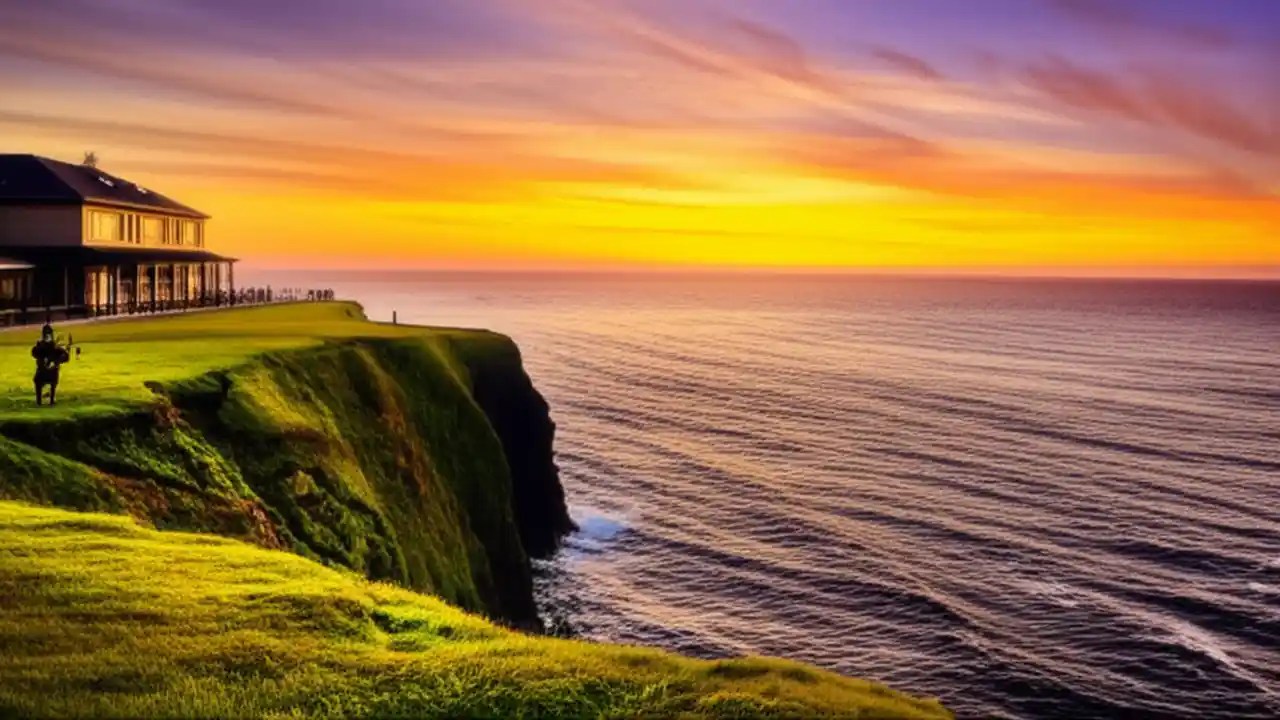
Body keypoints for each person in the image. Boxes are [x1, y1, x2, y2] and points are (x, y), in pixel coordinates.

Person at [31, 323, 70, 406]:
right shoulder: (41, 345)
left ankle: (51, 400)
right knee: (37, 380)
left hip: (52, 372)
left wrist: (56, 361)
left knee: (47, 379)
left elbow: (66, 357)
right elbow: (34, 353)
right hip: (42, 371)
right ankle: (39, 401)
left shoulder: (55, 347)